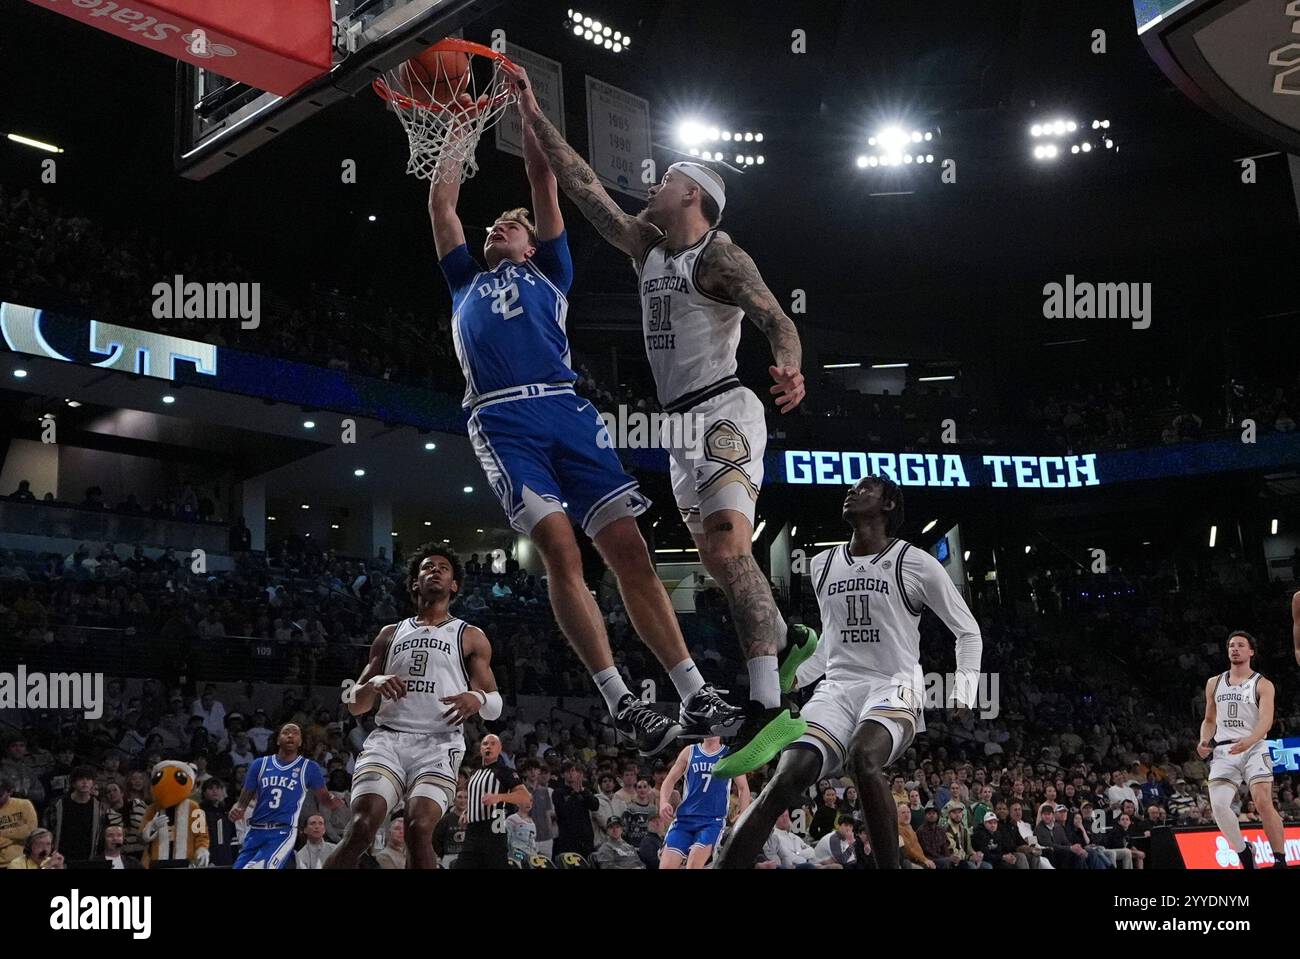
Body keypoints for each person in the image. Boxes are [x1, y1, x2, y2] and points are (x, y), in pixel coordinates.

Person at [511, 65, 818, 778]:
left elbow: (776, 316)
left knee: (728, 546)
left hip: (722, 407)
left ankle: (769, 706)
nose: (648, 188)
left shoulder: (721, 254)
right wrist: (532, 116)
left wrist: (791, 365)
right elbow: (584, 186)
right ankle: (793, 633)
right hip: (677, 429)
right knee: (715, 560)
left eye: (662, 181)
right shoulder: (647, 245)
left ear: (691, 193)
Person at [426, 91, 740, 759]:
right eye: (491, 232)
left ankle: (692, 689)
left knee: (629, 550)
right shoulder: (463, 282)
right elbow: (442, 207)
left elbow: (543, 177)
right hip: (503, 417)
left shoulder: (553, 270)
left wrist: (529, 112)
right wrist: (457, 130)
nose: (493, 232)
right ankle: (619, 698)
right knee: (562, 550)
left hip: (569, 411)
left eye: (507, 228)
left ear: (534, 242)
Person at [717, 474, 982, 868]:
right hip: (837, 689)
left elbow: (968, 631)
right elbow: (829, 648)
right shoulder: (823, 564)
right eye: (852, 489)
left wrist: (964, 688)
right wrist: (787, 680)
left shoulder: (915, 562)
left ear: (888, 505)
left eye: (864, 489)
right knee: (786, 779)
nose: (851, 492)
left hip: (895, 686)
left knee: (863, 756)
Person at [327, 544, 498, 869]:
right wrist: (371, 685)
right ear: (415, 583)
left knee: (418, 829)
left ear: (454, 585)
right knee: (361, 829)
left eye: (443, 568)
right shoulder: (390, 634)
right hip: (388, 741)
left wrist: (477, 698)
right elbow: (353, 705)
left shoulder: (470, 636)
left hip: (439, 743)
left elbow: (496, 705)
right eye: (427, 567)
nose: (435, 570)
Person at [1199, 630, 1288, 869]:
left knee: (1262, 802)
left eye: (1240, 645)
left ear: (1251, 651)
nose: (1234, 649)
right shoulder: (1214, 683)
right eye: (1231, 645)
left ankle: (1279, 859)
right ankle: (1244, 851)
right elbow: (1209, 720)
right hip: (1225, 750)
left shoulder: (1263, 684)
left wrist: (1249, 741)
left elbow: (1265, 721)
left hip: (1254, 746)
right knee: (1218, 806)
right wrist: (1204, 741)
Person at [229, 723, 340, 869]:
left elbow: (324, 797)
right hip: (256, 831)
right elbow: (243, 799)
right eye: (286, 732)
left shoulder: (309, 767)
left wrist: (334, 801)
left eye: (295, 733)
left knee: (259, 867)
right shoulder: (259, 764)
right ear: (277, 740)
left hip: (282, 832)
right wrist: (238, 808)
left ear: (300, 742)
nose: (290, 735)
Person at [658, 736, 750, 869]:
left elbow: (743, 787)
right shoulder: (689, 751)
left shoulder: (730, 754)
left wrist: (743, 815)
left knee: (694, 866)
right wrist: (663, 802)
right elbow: (670, 779)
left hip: (711, 821)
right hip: (684, 820)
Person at [458, 734, 529, 869]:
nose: (488, 746)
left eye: (492, 744)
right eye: (485, 744)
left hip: (494, 833)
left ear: (500, 748)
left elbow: (525, 797)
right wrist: (467, 812)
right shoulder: (475, 773)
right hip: (473, 833)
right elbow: (474, 797)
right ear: (480, 749)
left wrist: (499, 797)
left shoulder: (505, 771)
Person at [45, 766, 104, 862]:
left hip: (86, 857)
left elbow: (99, 834)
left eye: (88, 779)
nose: (85, 782)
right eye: (81, 779)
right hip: (60, 856)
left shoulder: (98, 806)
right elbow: (47, 830)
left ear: (93, 782)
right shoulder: (58, 804)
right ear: (73, 783)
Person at [551, 760, 599, 861]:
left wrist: (582, 791)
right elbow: (563, 812)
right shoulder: (558, 792)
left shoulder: (584, 791)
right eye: (568, 771)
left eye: (574, 771)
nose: (571, 774)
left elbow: (595, 806)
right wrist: (575, 793)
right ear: (563, 775)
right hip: (569, 840)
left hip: (586, 838)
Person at [0, 776, 38, 866]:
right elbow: (25, 831)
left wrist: (2, 833)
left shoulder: (24, 805)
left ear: (10, 792)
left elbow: (31, 831)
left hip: (23, 861)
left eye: (0, 795)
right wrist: (17, 837)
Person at [432, 787, 469, 868]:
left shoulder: (474, 819)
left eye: (466, 797)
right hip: (448, 858)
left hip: (468, 858)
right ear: (454, 799)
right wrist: (443, 854)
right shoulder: (445, 820)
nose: (463, 800)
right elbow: (436, 840)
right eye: (459, 797)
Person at [505, 794, 537, 864]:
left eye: (530, 801)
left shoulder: (532, 822)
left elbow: (533, 843)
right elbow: (507, 843)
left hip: (531, 859)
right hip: (517, 859)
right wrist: (521, 858)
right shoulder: (511, 820)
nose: (528, 803)